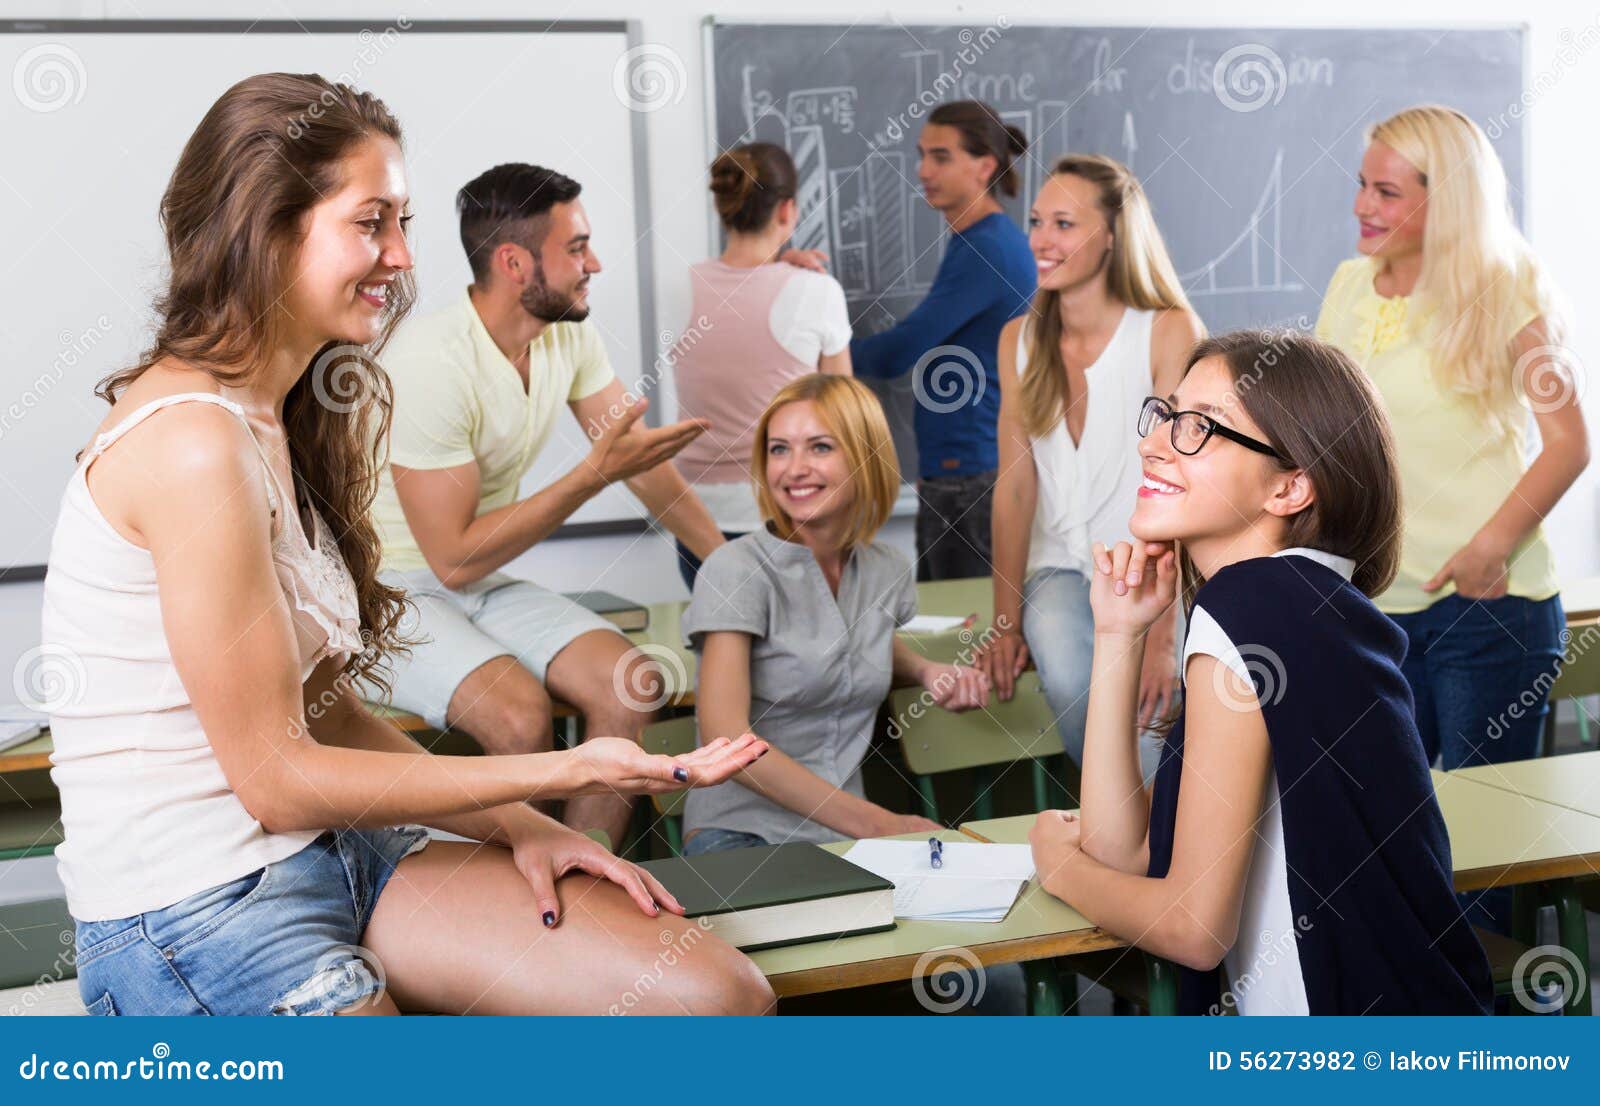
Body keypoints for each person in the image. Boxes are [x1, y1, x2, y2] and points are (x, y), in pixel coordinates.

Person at [44, 74, 774, 1017]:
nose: (402, 256)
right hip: (194, 915)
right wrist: (572, 769)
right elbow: (274, 779)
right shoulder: (190, 442)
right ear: (267, 229)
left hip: (347, 853)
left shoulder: (280, 413)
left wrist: (524, 830)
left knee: (714, 993)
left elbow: (326, 712)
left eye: (405, 221)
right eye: (371, 222)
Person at [1028, 330, 1491, 1014]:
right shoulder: (1306, 603)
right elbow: (1126, 851)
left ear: (1291, 486)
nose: (1154, 444)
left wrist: (1059, 869)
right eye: (1166, 416)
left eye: (1200, 429)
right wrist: (1119, 632)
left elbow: (1192, 928)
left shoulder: (1253, 605)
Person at [365, 162, 727, 845]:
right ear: (513, 262)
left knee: (630, 682)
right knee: (518, 715)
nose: (593, 263)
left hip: (476, 580)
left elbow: (636, 462)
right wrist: (591, 477)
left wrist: (725, 561)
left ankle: (588, 889)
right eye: (576, 248)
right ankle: (525, 918)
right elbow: (452, 560)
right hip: (392, 590)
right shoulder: (432, 363)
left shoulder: (566, 332)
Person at [1316, 105, 1587, 774]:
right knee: (1392, 832)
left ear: (1450, 201)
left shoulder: (1508, 288)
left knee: (1483, 847)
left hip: (1487, 612)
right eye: (1361, 184)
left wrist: (1488, 551)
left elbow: (1570, 442)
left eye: (1386, 192)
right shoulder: (1350, 285)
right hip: (1374, 607)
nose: (1361, 206)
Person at [683, 375, 990, 854]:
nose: (794, 469)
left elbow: (854, 634)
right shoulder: (735, 569)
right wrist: (877, 825)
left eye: (820, 447)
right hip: (743, 834)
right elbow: (725, 736)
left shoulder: (884, 567)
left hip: (844, 834)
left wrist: (927, 669)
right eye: (779, 449)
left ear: (866, 457)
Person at [983, 155, 1203, 781]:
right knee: (1068, 668)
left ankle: (1150, 848)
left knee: (1152, 711)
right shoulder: (1017, 341)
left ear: (1112, 235)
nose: (1041, 241)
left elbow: (1183, 483)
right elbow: (1015, 488)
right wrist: (1003, 623)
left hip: (1147, 566)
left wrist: (1166, 637)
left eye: (1064, 223)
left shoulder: (1165, 331)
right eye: (1036, 222)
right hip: (1058, 568)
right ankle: (1124, 827)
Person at [850, 100, 1037, 581]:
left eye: (940, 156)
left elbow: (899, 351)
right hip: (963, 465)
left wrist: (816, 354)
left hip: (968, 473)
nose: (923, 170)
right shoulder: (980, 241)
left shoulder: (986, 248)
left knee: (963, 631)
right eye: (922, 154)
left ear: (984, 166)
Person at [671, 142, 852, 589]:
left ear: (724, 207)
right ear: (788, 210)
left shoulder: (680, 287)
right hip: (786, 512)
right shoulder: (816, 291)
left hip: (696, 518)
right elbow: (846, 414)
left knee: (719, 650)